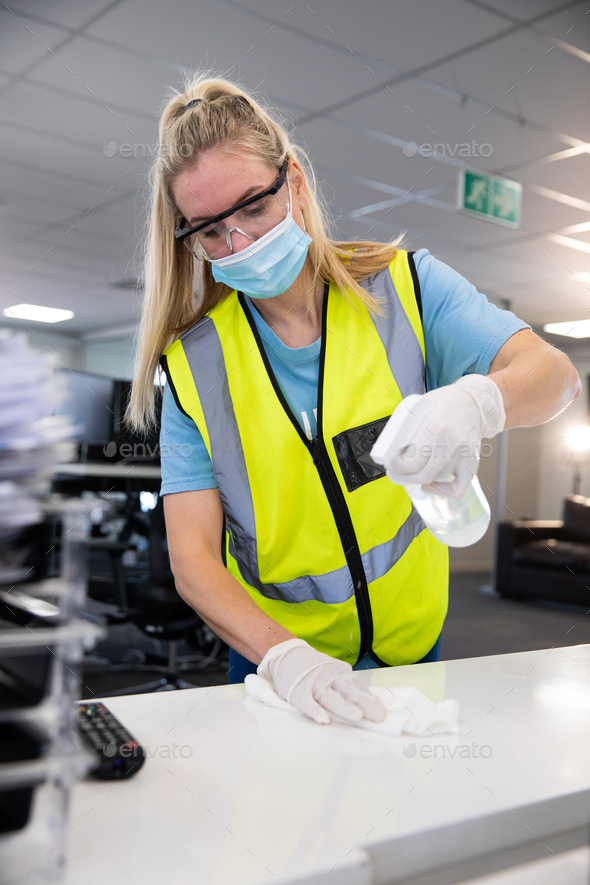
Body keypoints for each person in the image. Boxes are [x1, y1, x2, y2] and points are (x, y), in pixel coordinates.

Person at [127, 74, 581, 727]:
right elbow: (192, 559)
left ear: (296, 183)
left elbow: (554, 374)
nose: (240, 245)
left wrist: (478, 401)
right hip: (277, 667)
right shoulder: (194, 367)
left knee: (408, 818)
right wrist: (284, 657)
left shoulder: (408, 291)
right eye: (210, 230)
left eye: (254, 207)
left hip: (413, 654)